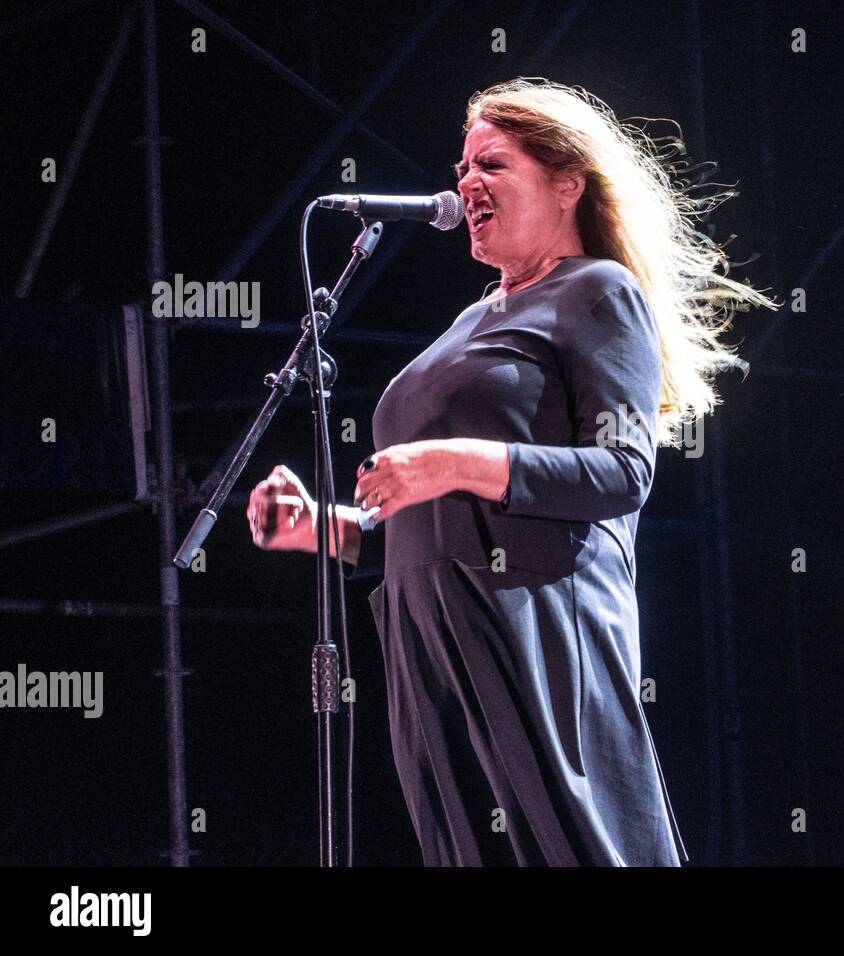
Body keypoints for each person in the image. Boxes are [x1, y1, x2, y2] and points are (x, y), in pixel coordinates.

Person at [246, 78, 778, 865]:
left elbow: (622, 472)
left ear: (566, 184)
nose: (466, 182)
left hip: (536, 621)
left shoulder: (598, 292)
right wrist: (327, 528)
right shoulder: (470, 322)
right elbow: (435, 524)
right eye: (463, 166)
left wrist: (452, 461)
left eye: (492, 163)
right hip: (429, 634)